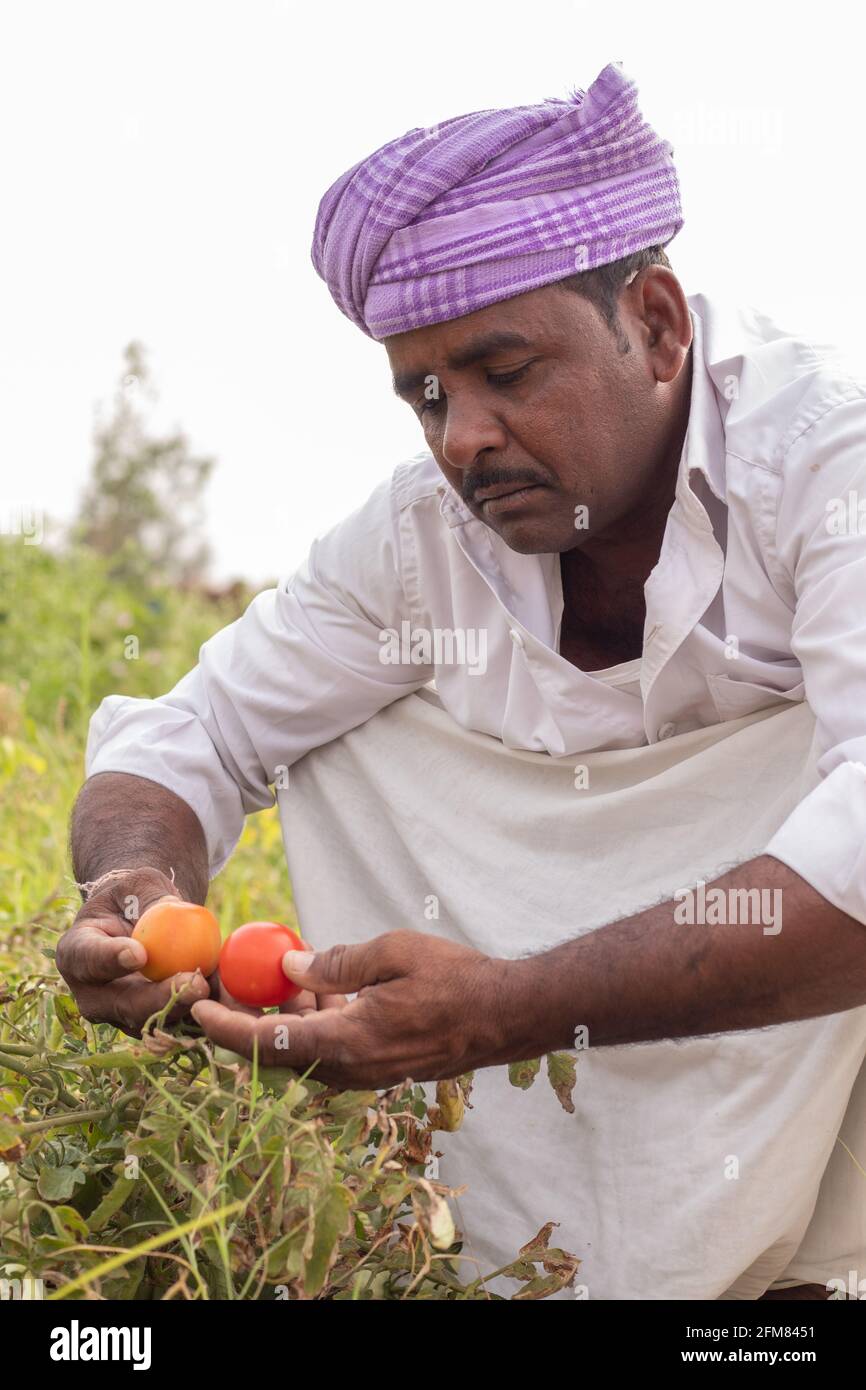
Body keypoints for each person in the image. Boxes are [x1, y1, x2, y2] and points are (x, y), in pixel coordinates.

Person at [59, 62, 866, 1299]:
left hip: (810, 1035)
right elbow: (193, 730)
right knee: (336, 720)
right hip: (533, 1122)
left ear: (654, 323)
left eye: (505, 370)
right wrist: (135, 889)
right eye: (423, 394)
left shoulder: (825, 464)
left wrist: (502, 1009)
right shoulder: (414, 539)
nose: (460, 435)